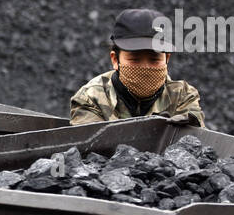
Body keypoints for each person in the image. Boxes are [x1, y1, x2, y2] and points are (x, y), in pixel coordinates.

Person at [69, 8, 205, 126]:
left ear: (166, 59)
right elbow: (92, 149)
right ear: (115, 60)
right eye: (135, 59)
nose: (145, 68)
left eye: (154, 59)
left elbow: (195, 147)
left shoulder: (182, 96)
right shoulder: (91, 98)